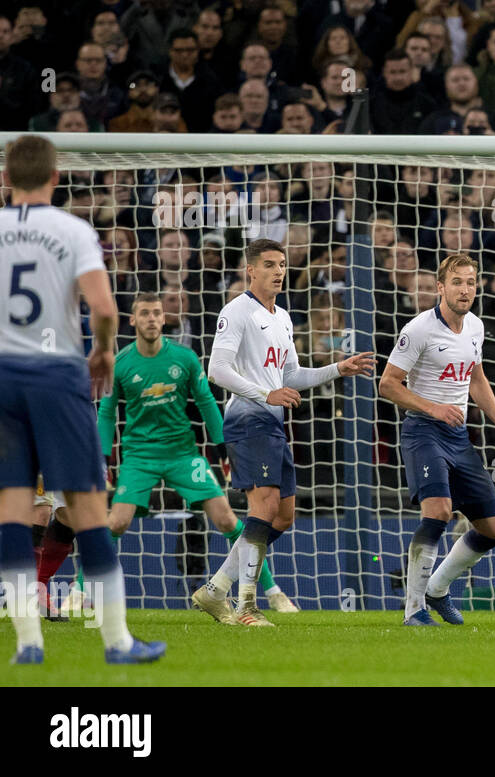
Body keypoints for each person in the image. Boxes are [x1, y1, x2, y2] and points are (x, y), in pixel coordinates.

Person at [0, 134, 163, 664]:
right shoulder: (72, 230)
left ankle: (27, 644)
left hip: (4, 376)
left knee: (13, 508)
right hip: (56, 374)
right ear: (55, 178)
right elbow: (104, 306)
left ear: (6, 179)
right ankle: (117, 641)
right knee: (88, 505)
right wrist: (103, 351)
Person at [192, 239, 375, 627]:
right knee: (264, 509)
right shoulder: (236, 311)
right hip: (247, 419)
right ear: (251, 271)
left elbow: (290, 375)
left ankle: (215, 590)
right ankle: (245, 608)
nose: (278, 271)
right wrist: (265, 392)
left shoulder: (283, 317)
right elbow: (217, 370)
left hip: (273, 422)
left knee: (283, 516)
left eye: (282, 265)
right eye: (270, 265)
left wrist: (337, 369)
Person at [87, 292, 295, 620]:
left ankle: (273, 592)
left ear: (164, 319)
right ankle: (82, 590)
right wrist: (102, 457)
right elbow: (107, 413)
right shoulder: (121, 363)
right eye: (145, 314)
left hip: (183, 453)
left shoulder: (184, 358)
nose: (152, 319)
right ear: (133, 320)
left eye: (157, 313)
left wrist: (223, 447)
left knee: (228, 519)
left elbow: (206, 403)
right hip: (139, 455)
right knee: (117, 521)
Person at [378, 254, 495, 627]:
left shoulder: (476, 327)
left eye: (470, 282)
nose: (465, 289)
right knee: (438, 511)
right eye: (457, 282)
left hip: (458, 435)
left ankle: (437, 589)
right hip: (423, 431)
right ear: (441, 287)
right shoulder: (419, 329)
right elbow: (388, 384)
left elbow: (475, 377)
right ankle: (413, 610)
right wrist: (433, 407)